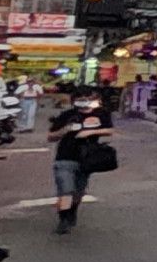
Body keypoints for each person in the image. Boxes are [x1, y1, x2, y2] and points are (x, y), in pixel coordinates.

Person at [47, 85, 111, 234]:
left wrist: (89, 132)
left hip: (87, 159)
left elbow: (109, 130)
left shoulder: (101, 114)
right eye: (81, 99)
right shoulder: (66, 115)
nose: (85, 101)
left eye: (88, 98)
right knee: (65, 189)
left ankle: (72, 210)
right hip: (64, 157)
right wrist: (66, 130)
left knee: (78, 191)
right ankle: (63, 220)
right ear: (74, 100)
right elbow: (50, 136)